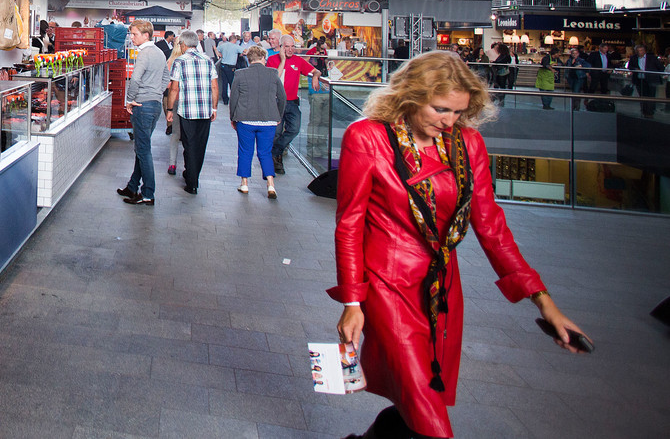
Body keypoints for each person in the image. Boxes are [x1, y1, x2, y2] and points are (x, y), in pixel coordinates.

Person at [331, 51, 586, 439]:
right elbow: (349, 225)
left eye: (458, 112)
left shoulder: (468, 143)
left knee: (417, 400)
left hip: (441, 291)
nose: (449, 121)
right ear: (410, 95)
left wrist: (543, 301)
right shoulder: (367, 136)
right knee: (430, 418)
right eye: (440, 109)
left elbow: (492, 227)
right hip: (388, 286)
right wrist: (353, 302)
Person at [118, 20, 167, 207]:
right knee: (142, 146)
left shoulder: (144, 54)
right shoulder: (160, 53)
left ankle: (147, 194)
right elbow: (165, 77)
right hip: (154, 105)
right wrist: (156, 93)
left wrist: (130, 100)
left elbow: (135, 78)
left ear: (146, 35)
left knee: (143, 150)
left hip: (142, 105)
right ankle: (132, 186)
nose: (132, 37)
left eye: (135, 34)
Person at [163, 31, 218, 195]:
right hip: (205, 111)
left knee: (189, 144)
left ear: (184, 44)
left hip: (186, 111)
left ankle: (191, 181)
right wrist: (214, 108)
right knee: (201, 145)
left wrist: (170, 109)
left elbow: (174, 88)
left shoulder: (180, 61)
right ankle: (193, 175)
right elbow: (214, 86)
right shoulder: (208, 60)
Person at [229, 46, 285, 198]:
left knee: (245, 151)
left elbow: (233, 98)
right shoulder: (273, 73)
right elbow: (282, 97)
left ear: (249, 59)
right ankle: (271, 185)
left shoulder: (240, 74)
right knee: (265, 152)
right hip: (268, 121)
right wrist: (278, 115)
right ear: (262, 58)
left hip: (245, 119)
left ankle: (245, 183)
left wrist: (233, 117)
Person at [267, 33, 322, 174]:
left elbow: (316, 71)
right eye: (287, 47)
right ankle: (276, 161)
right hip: (276, 101)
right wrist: (283, 60)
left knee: (294, 128)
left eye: (292, 47)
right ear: (281, 47)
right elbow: (274, 79)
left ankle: (275, 152)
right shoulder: (272, 60)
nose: (290, 50)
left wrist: (315, 77)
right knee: (277, 132)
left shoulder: (298, 61)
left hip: (292, 102)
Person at [624, 44, 664, 117]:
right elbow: (630, 67)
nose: (640, 52)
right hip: (640, 80)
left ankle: (650, 112)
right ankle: (644, 111)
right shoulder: (633, 58)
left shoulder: (652, 58)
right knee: (642, 96)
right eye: (638, 51)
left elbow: (661, 67)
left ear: (645, 51)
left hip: (651, 80)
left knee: (651, 96)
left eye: (641, 50)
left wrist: (654, 74)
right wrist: (636, 69)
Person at [216, 33, 241, 105]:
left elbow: (217, 49)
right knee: (232, 83)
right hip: (231, 67)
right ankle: (233, 99)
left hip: (223, 65)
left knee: (224, 83)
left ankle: (225, 100)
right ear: (235, 40)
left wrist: (219, 55)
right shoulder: (236, 47)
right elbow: (244, 51)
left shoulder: (223, 45)